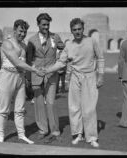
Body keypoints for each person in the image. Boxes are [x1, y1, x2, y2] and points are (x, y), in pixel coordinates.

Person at [44, 18, 104, 147]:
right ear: (71, 31)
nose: (77, 32)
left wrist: (101, 76)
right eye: (74, 30)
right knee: (74, 108)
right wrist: (47, 70)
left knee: (89, 109)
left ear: (83, 29)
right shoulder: (69, 45)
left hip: (90, 77)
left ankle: (92, 136)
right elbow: (61, 62)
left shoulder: (92, 41)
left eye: (79, 29)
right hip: (75, 78)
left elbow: (100, 58)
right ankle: (78, 134)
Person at [0, 19, 43, 144]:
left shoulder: (24, 45)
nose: (23, 34)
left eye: (25, 32)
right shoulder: (7, 43)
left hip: (20, 77)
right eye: (20, 31)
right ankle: (1, 135)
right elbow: (17, 62)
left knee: (20, 108)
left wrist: (38, 67)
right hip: (7, 75)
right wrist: (34, 70)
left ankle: (21, 134)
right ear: (14, 30)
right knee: (4, 109)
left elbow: (27, 62)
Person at [26, 13, 65, 143]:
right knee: (38, 104)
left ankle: (55, 130)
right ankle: (43, 130)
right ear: (38, 25)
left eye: (48, 24)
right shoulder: (31, 40)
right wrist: (31, 75)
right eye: (43, 24)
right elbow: (29, 60)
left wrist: (61, 56)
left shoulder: (56, 37)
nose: (46, 27)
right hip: (37, 75)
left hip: (52, 75)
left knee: (51, 103)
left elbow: (63, 49)